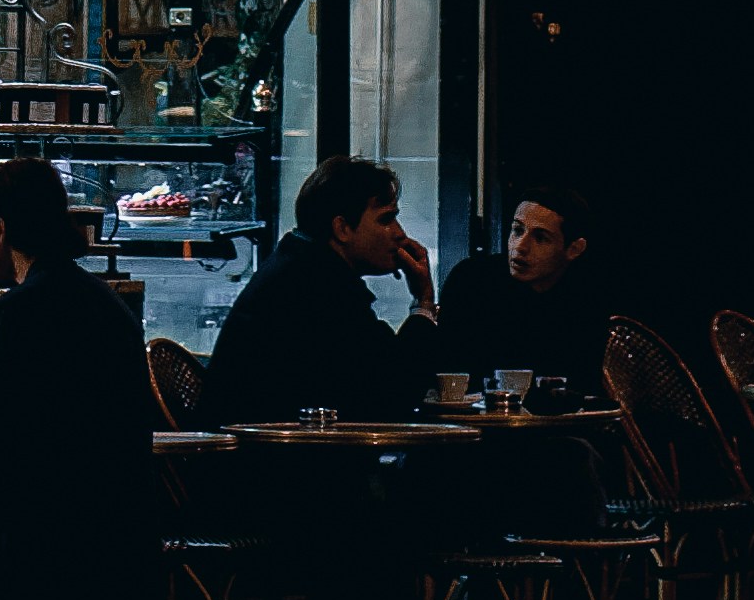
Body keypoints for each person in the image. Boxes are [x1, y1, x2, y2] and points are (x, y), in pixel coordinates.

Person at [0, 156, 162, 600]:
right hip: (118, 548)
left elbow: (4, 446)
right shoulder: (104, 302)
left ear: (2, 229)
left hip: (44, 556)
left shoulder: (25, 309)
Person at [206, 156, 428, 422]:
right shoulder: (319, 288)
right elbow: (393, 389)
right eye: (386, 220)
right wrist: (424, 304)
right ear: (342, 228)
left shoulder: (302, 267)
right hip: (273, 457)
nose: (400, 233)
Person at [433, 187, 611, 385]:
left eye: (541, 238)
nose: (520, 246)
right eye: (517, 230)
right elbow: (446, 368)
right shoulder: (473, 281)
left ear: (574, 249)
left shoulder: (586, 300)